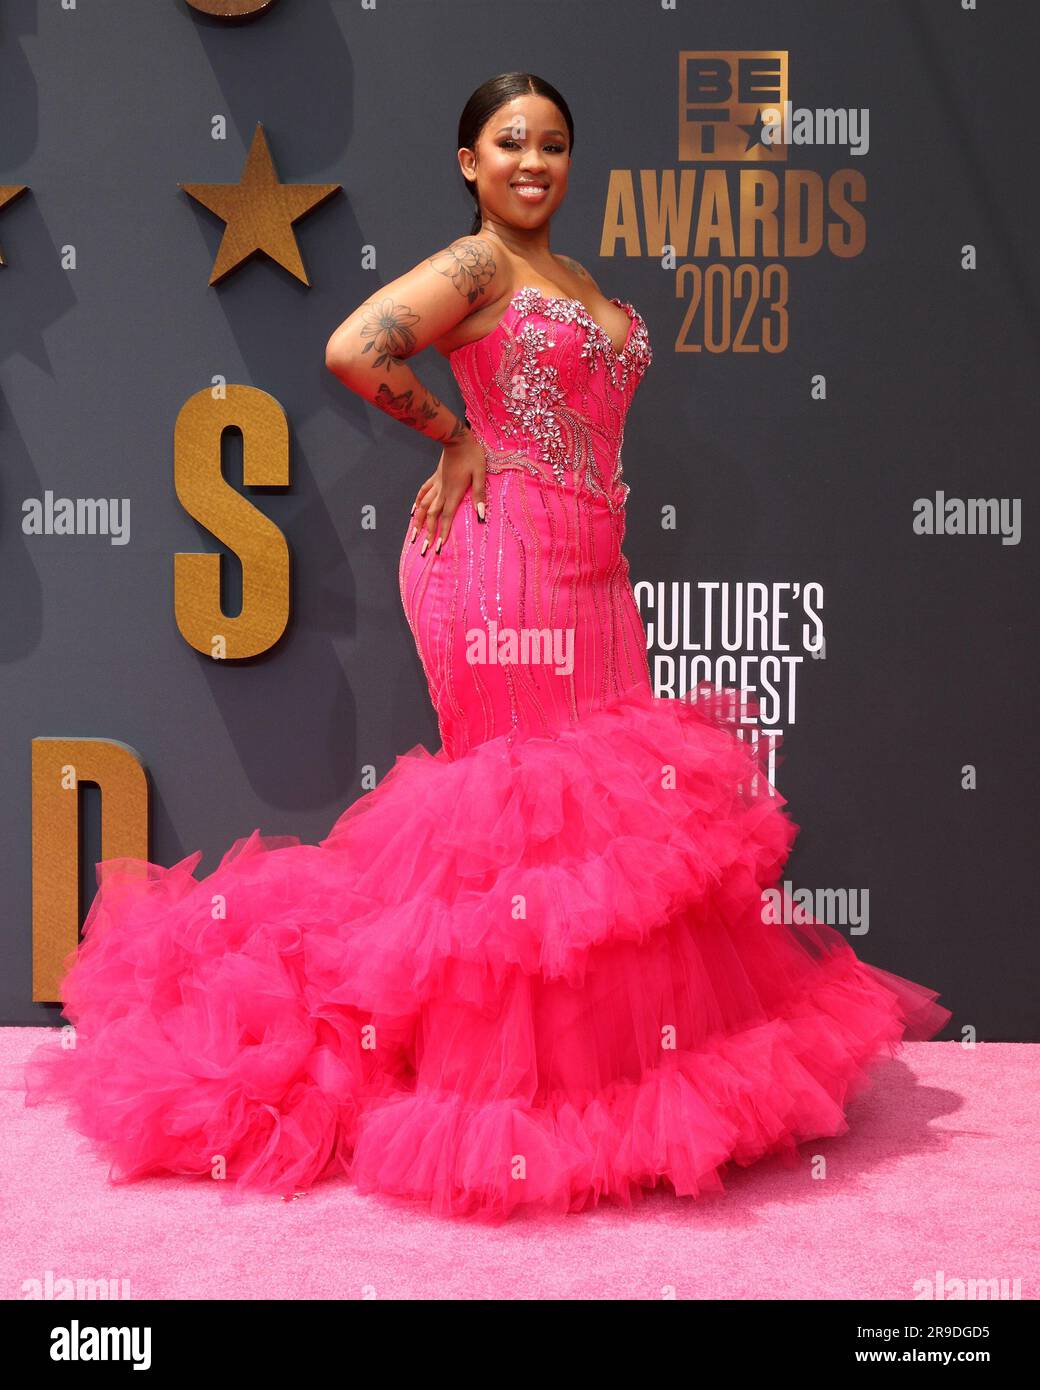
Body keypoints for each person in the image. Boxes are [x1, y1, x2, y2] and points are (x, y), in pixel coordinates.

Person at [21, 72, 951, 1221]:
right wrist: (453, 432)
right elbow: (358, 346)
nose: (532, 162)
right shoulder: (479, 268)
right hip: (496, 555)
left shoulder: (575, 281)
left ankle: (615, 1081)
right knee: (520, 820)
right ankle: (512, 1100)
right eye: (508, 143)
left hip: (593, 567)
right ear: (468, 162)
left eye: (552, 144)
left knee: (608, 825)